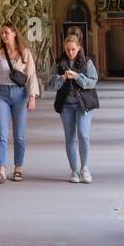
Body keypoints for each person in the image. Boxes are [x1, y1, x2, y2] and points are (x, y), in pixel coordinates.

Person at [0, 22, 40, 183]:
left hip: (20, 95)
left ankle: (17, 169)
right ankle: (1, 170)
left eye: (6, 33)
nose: (3, 36)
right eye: (1, 33)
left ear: (14, 33)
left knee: (19, 135)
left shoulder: (25, 53)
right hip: (1, 93)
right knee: (1, 134)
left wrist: (32, 97)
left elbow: (31, 76)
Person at [52, 31, 99, 183]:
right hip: (66, 105)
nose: (70, 52)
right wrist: (62, 77)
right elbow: (51, 84)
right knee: (69, 137)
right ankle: (74, 170)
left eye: (73, 49)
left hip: (83, 104)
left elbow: (93, 81)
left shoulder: (87, 62)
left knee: (83, 135)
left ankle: (85, 168)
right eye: (67, 49)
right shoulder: (59, 63)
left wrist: (78, 77)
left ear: (79, 48)